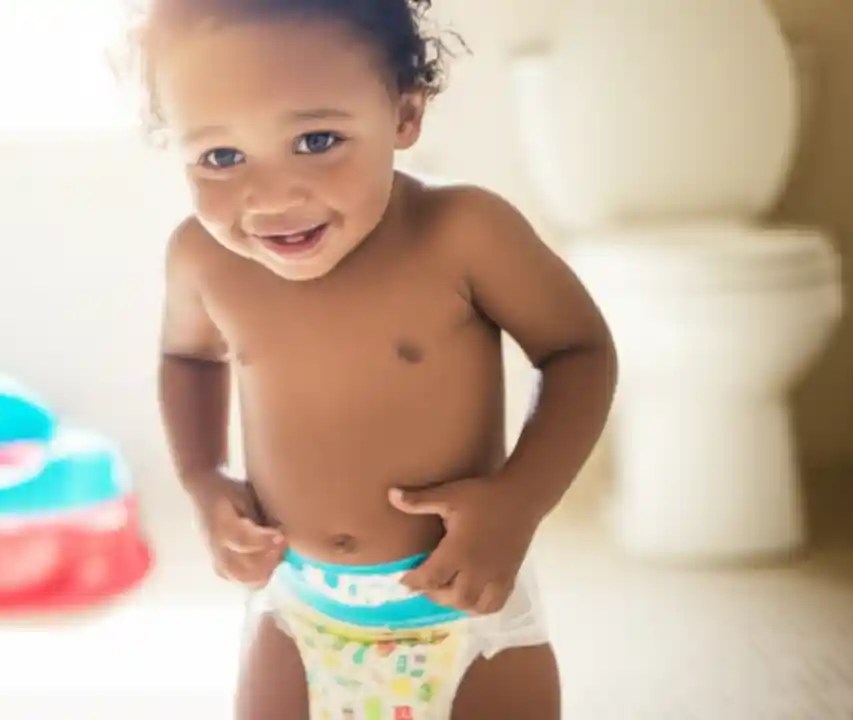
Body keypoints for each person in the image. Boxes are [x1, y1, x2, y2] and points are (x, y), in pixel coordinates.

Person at [142, 1, 618, 717]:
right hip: (299, 612)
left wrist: (520, 501)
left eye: (317, 140)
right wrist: (203, 477)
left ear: (403, 114)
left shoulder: (461, 232)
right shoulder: (201, 259)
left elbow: (578, 350)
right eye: (220, 157)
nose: (271, 195)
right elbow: (188, 359)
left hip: (467, 608)